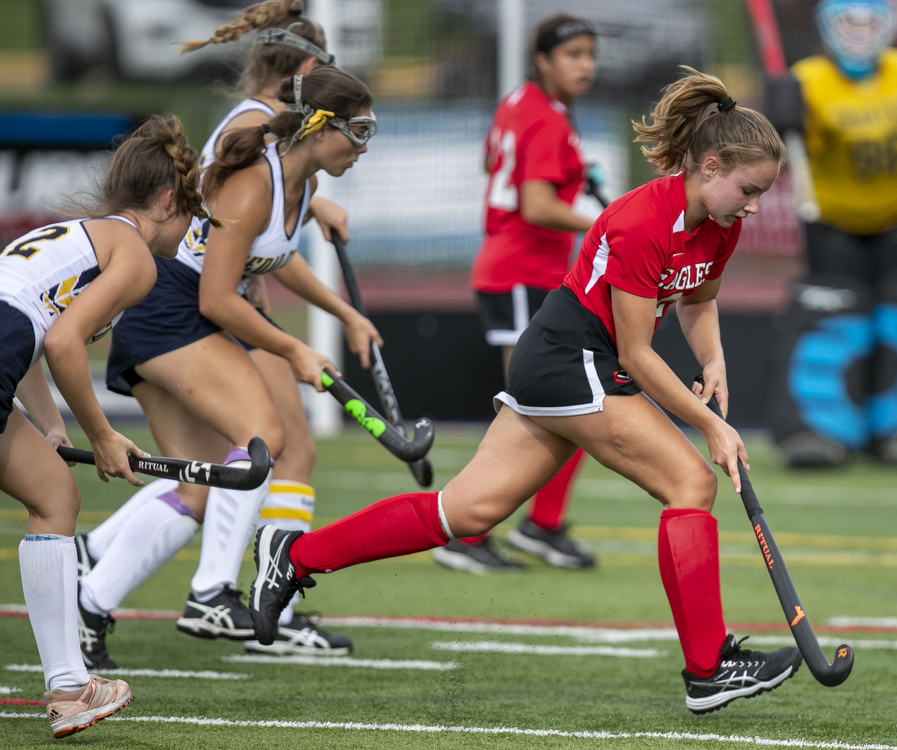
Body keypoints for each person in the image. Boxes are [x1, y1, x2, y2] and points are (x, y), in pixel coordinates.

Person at [250, 67, 805, 715]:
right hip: (573, 356)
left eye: (762, 194)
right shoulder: (641, 222)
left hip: (569, 360)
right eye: (749, 189)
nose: (755, 205)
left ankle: (295, 555)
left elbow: (698, 300)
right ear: (709, 167)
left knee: (467, 512)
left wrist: (714, 361)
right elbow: (634, 353)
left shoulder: (721, 223)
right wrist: (710, 426)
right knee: (691, 484)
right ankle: (709, 669)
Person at [75, 0, 358, 658]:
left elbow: (264, 255)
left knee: (202, 483)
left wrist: (337, 304)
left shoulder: (279, 155)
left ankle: (90, 581)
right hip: (185, 307)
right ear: (309, 76)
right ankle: (217, 597)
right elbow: (220, 275)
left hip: (186, 305)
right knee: (267, 445)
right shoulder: (260, 135)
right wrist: (287, 344)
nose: (358, 140)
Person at [0, 115, 212, 737]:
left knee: (54, 494)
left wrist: (50, 428)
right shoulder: (135, 256)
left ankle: (70, 688)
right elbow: (64, 341)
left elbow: (32, 333)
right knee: (54, 501)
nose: (193, 227)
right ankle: (67, 687)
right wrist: (100, 435)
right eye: (192, 211)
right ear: (169, 201)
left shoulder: (65, 233)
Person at [436, 14, 600, 574]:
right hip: (524, 272)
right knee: (541, 410)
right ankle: (471, 530)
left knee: (563, 403)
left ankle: (538, 526)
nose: (586, 65)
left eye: (590, 54)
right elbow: (535, 206)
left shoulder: (519, 102)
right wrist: (602, 223)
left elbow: (492, 162)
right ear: (544, 60)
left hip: (516, 271)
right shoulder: (549, 122)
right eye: (573, 54)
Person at [766, 0, 897, 467]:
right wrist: (781, 121)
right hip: (830, 220)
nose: (859, 31)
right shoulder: (807, 79)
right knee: (836, 328)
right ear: (826, 26)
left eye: (869, 21)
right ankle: (824, 431)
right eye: (847, 21)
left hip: (896, 216)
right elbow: (784, 157)